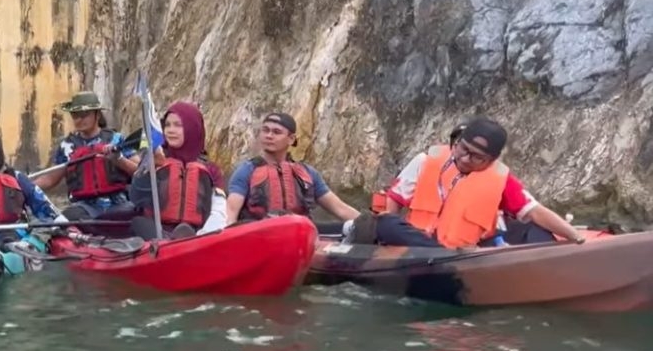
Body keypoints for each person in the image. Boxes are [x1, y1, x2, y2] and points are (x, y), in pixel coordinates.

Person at [355, 117, 584, 248]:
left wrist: (575, 236)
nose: (465, 158)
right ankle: (435, 254)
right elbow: (394, 201)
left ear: (491, 160)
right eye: (463, 149)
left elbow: (534, 211)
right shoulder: (426, 161)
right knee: (386, 224)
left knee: (533, 229)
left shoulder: (501, 179)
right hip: (416, 246)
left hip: (466, 251)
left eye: (476, 157)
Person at [223, 112, 361, 228]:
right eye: (265, 130)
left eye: (276, 132)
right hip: (259, 236)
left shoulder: (308, 173)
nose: (269, 135)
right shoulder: (246, 171)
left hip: (298, 236)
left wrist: (369, 224)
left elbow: (340, 209)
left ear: (291, 139)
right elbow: (230, 214)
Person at [127, 101, 228, 240]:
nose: (170, 130)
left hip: (196, 235)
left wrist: (202, 237)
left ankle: (182, 242)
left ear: (192, 128)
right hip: (158, 232)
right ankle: (170, 244)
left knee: (185, 231)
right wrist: (149, 167)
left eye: (177, 125)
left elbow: (218, 211)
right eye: (167, 125)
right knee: (138, 223)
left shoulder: (211, 170)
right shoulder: (157, 159)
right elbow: (137, 198)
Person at [34, 91, 140, 220]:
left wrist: (119, 159)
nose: (79, 120)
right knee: (66, 219)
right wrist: (23, 186)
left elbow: (139, 171)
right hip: (84, 207)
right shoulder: (67, 146)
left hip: (118, 203)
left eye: (84, 115)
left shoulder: (116, 139)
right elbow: (50, 179)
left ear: (97, 115)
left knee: (137, 216)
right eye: (75, 115)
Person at [0, 129, 61, 241]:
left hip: (11, 233)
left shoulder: (16, 178)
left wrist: (60, 224)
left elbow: (45, 207)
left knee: (7, 238)